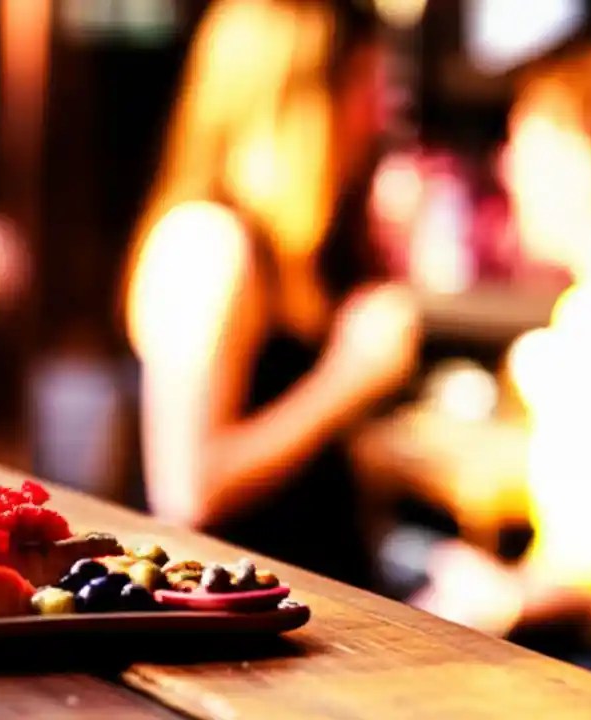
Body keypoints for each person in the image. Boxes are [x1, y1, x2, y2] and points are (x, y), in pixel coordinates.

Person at [126, 0, 421, 586]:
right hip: (227, 625)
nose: (381, 112)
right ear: (304, 100)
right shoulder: (210, 243)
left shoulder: (297, 249)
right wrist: (349, 377)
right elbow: (188, 489)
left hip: (301, 606)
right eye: (366, 82)